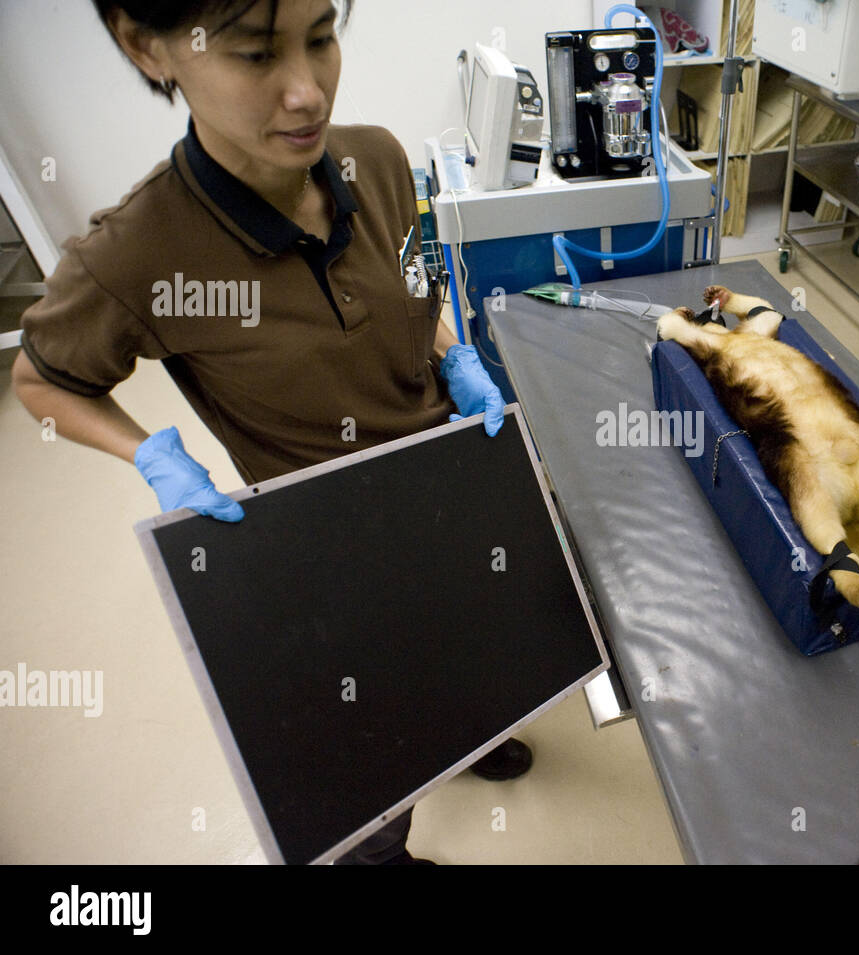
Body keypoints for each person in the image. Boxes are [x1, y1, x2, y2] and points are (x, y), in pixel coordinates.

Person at [13, 0, 528, 865]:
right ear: (150, 47)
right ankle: (378, 849)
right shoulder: (136, 252)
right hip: (325, 538)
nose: (307, 92)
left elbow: (415, 287)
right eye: (256, 55)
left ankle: (471, 735)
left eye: (322, 39)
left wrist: (452, 353)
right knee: (369, 738)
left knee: (470, 645)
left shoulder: (380, 160)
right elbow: (40, 381)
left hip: (447, 484)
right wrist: (151, 454)